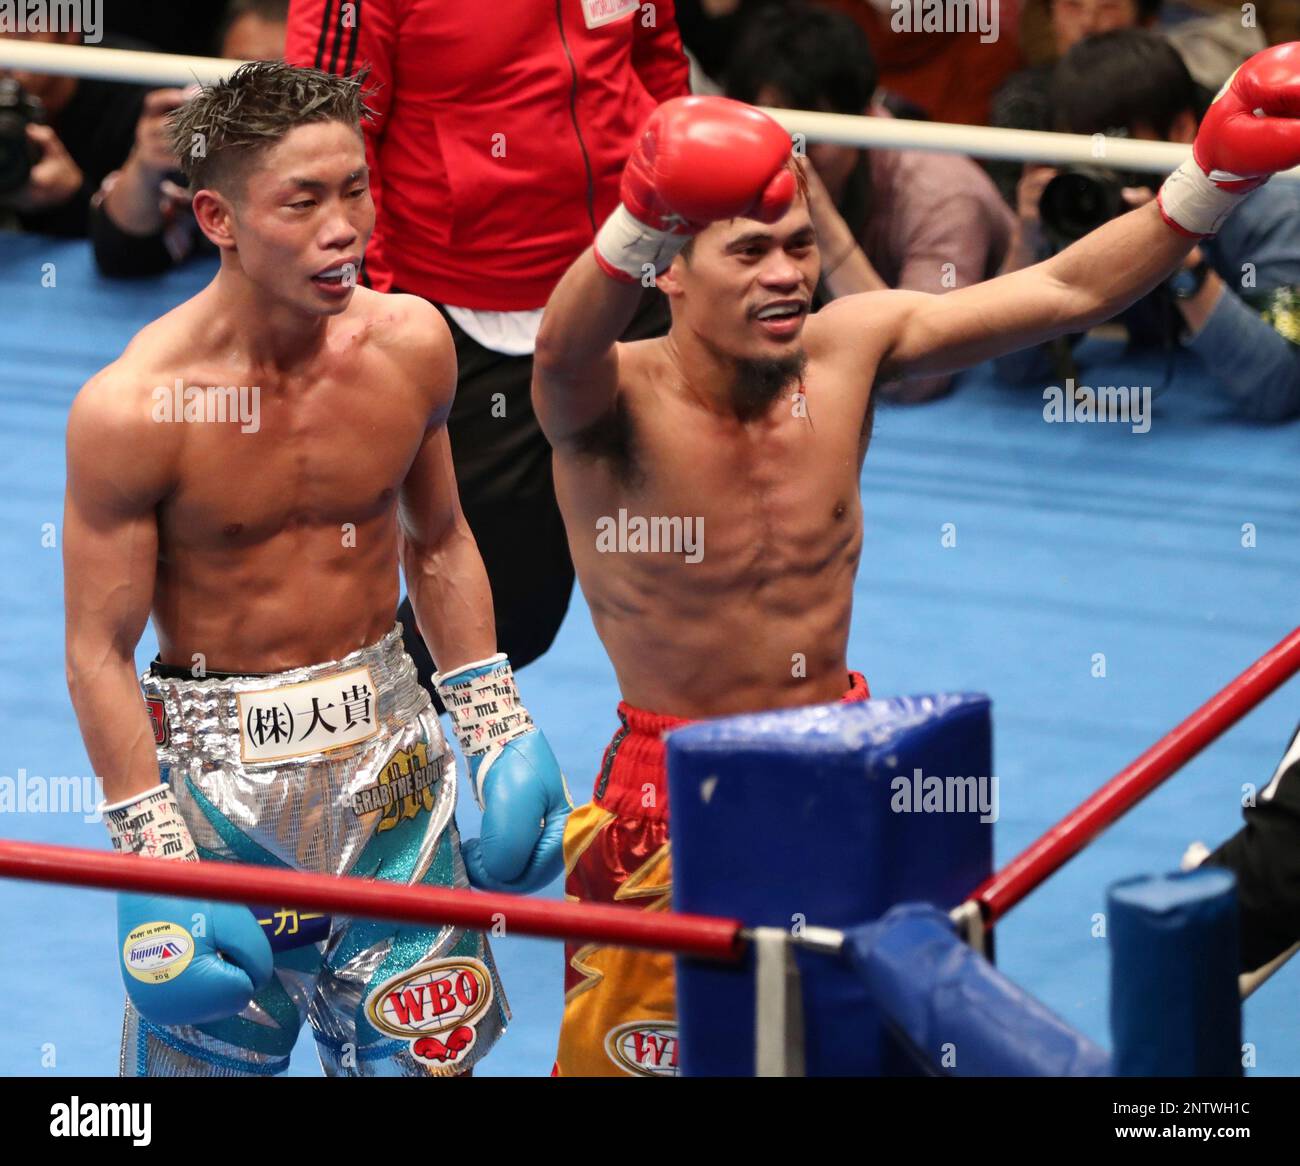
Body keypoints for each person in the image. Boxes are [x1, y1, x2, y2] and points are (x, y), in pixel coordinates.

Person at [532, 46, 1300, 1074]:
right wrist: (634, 218)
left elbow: (1069, 285)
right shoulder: (606, 402)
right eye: (749, 250)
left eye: (798, 246)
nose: (784, 274)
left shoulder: (850, 346)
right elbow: (555, 352)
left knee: (871, 1039)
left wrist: (1206, 186)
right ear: (669, 266)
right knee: (658, 1059)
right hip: (682, 792)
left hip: (850, 756)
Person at [63, 61, 569, 1078]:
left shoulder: (412, 343)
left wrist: (495, 721)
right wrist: (151, 853)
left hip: (392, 769)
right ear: (218, 216)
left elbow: (437, 542)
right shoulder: (133, 408)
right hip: (216, 796)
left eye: (355, 188)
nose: (346, 226)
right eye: (303, 200)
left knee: (421, 1067)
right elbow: (97, 647)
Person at [285, 0, 690, 691]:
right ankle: (321, 747)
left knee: (698, 567)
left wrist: (683, 211)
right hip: (466, 311)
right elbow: (321, 133)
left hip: (635, 274)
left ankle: (689, 782)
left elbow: (656, 60)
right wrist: (370, 298)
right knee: (504, 614)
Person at [996, 30, 1300, 422]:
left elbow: (1280, 386)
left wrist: (1173, 253)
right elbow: (1015, 368)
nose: (1101, 168)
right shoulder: (1081, 202)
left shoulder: (1270, 205)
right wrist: (1028, 239)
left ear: (1181, 130)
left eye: (1118, 142)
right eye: (1085, 146)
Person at [726, 2, 1015, 402]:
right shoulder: (737, 165)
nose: (789, 158)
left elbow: (917, 378)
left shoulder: (942, 194)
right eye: (776, 135)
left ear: (865, 114)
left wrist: (819, 220)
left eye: (809, 139)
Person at [91, 0, 291, 278]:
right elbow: (120, 255)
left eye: (279, 78)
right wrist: (145, 166)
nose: (257, 94)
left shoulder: (341, 141)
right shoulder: (200, 123)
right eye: (239, 73)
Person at [0, 25, 150, 237]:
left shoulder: (137, 93)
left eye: (21, 35)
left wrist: (74, 195)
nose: (4, 56)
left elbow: (139, 246)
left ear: (67, 35)